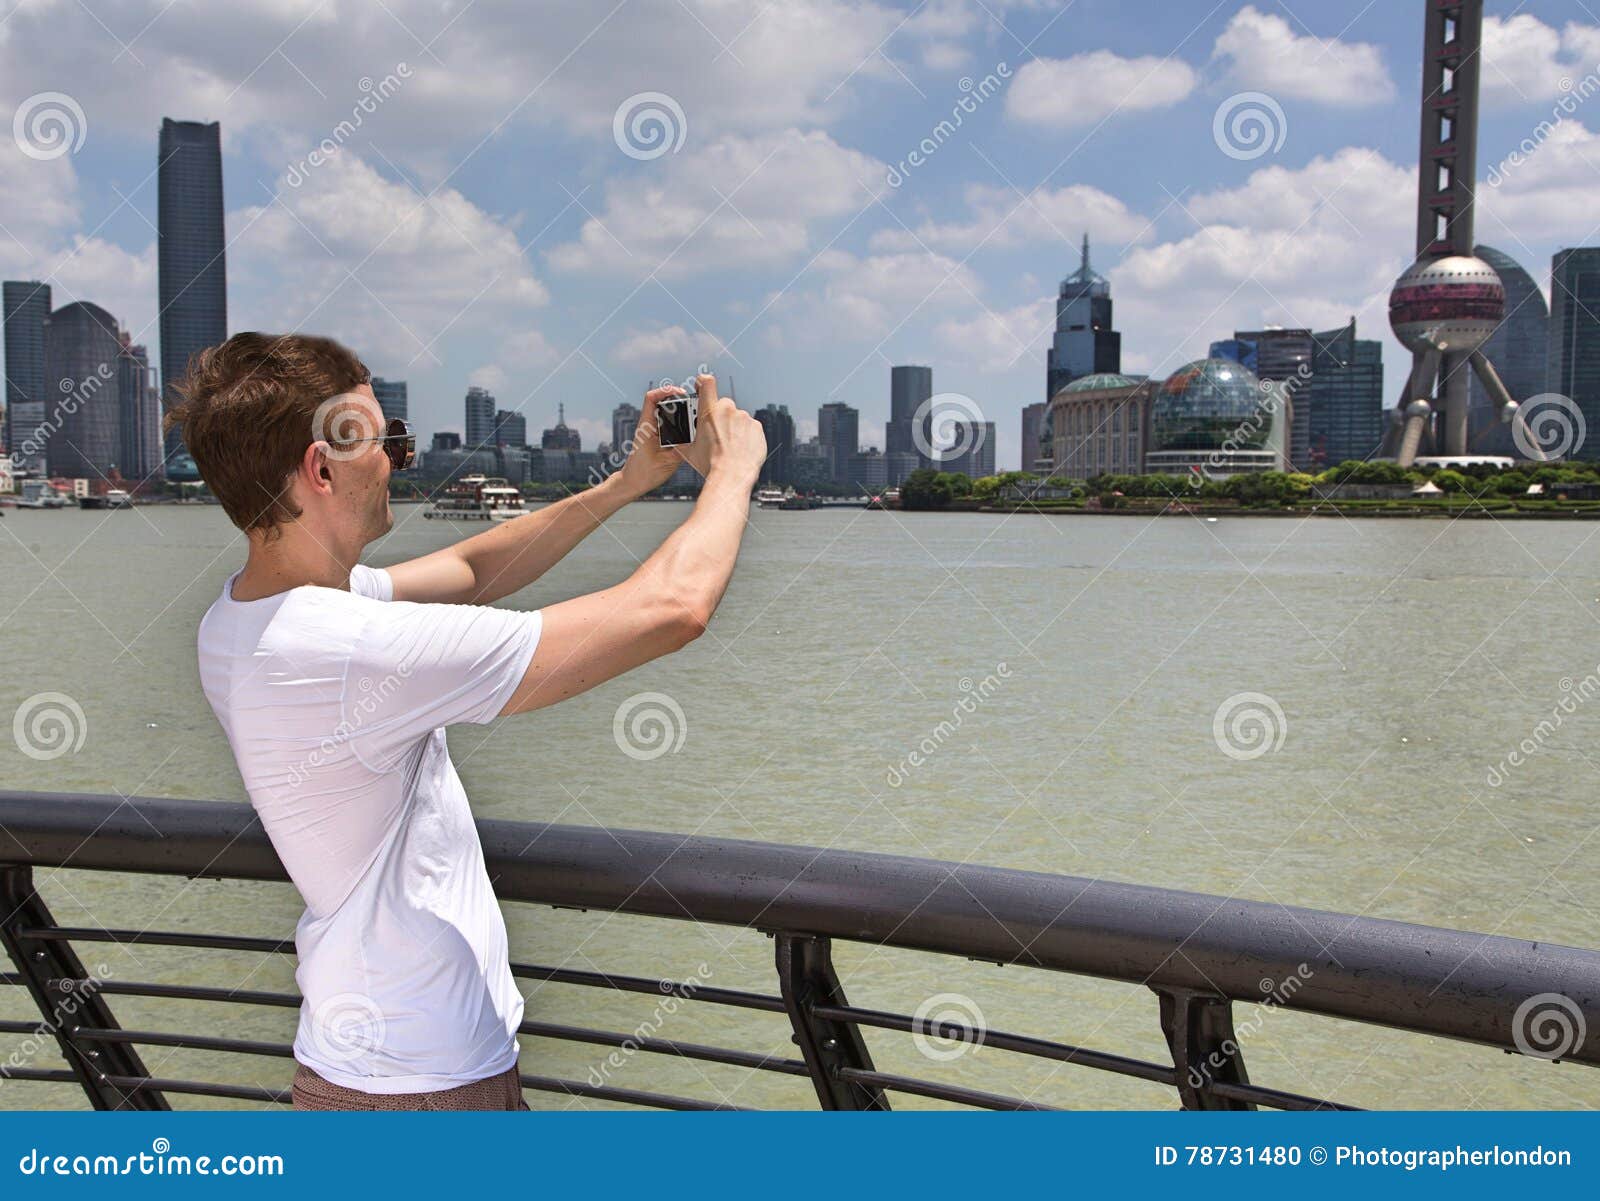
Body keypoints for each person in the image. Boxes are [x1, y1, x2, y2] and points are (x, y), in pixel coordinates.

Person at [166, 333, 766, 1110]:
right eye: (390, 442)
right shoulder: (344, 646)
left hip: (362, 1069)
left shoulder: (246, 617)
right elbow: (671, 610)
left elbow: (478, 571)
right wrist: (734, 471)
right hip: (426, 1089)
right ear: (322, 468)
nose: (400, 461)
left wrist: (626, 484)